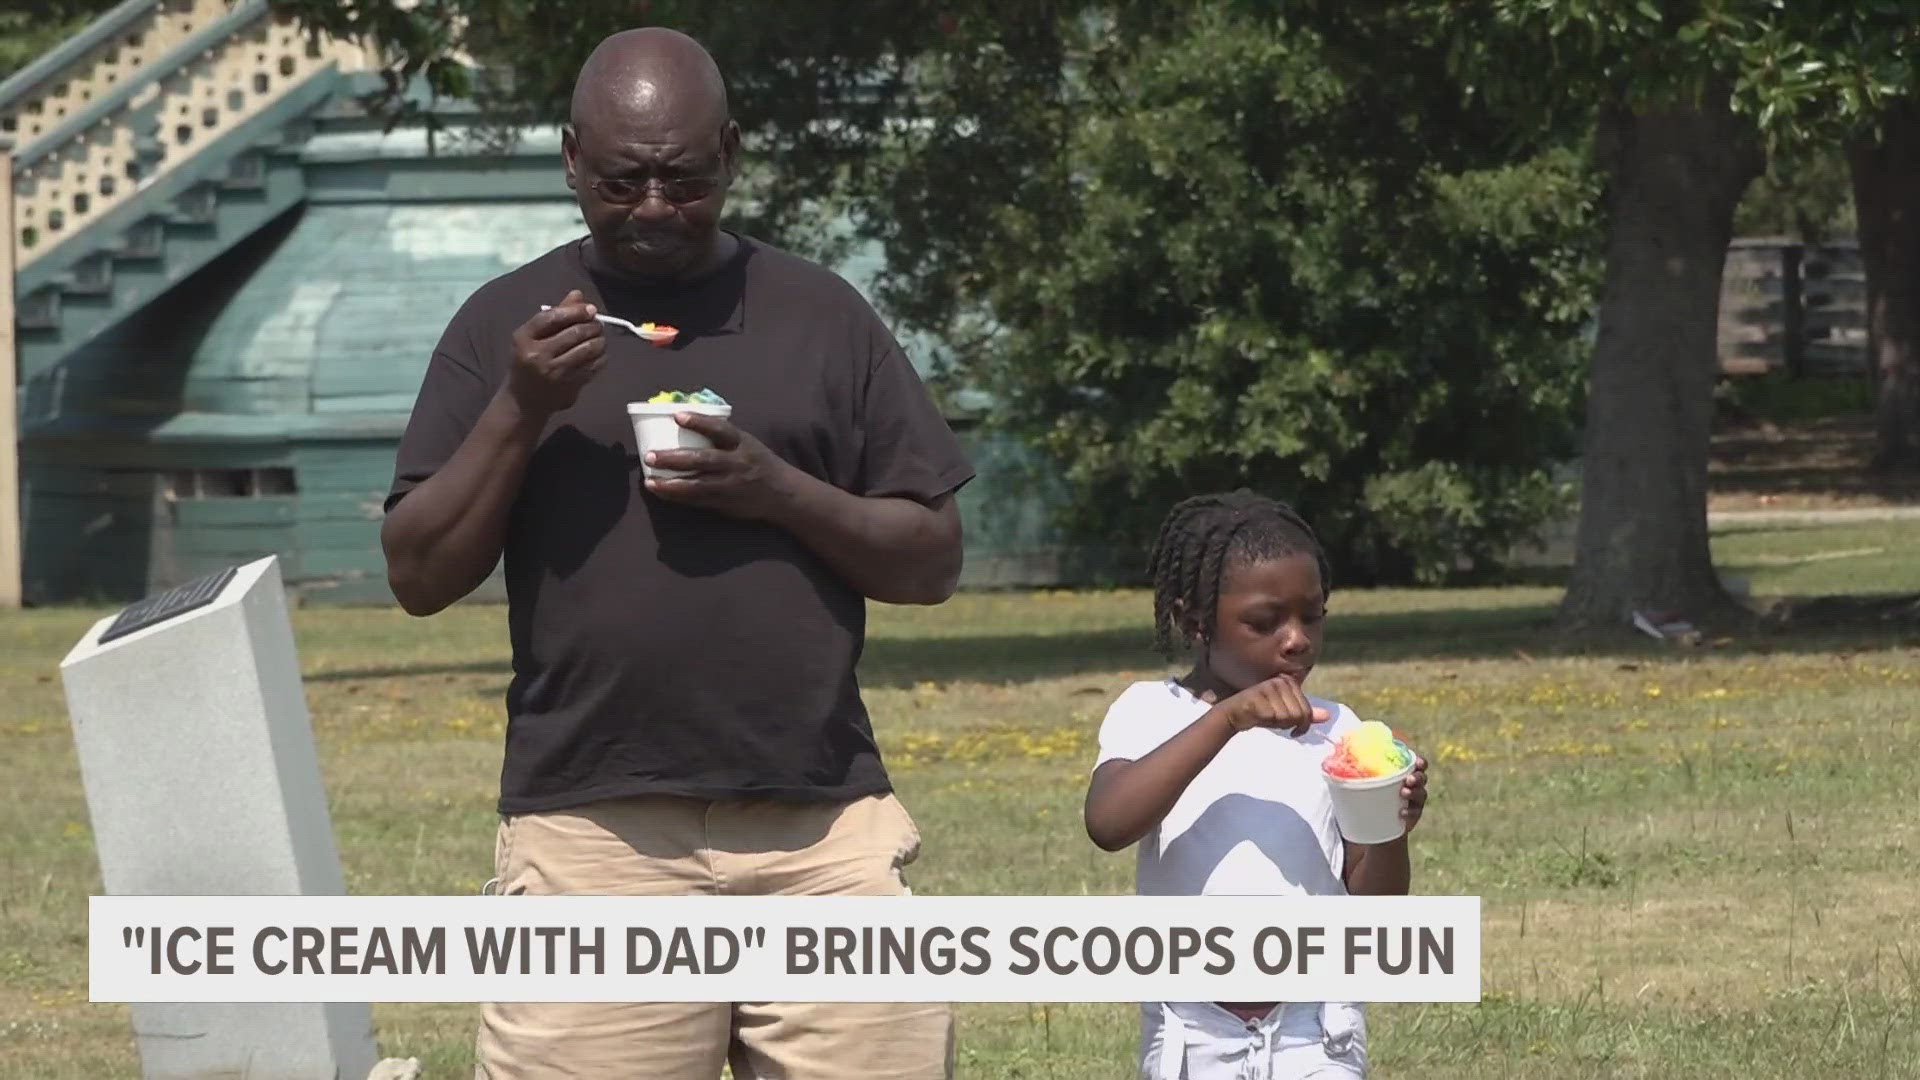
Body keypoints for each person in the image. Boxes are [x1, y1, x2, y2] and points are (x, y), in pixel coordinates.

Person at [381, 25, 971, 1080]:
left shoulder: (820, 317)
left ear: (732, 155)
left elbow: (930, 559)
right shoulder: (504, 328)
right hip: (594, 834)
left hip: (818, 834)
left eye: (684, 180)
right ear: (570, 159)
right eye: (621, 182)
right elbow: (419, 575)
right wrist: (521, 409)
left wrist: (775, 488)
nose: (653, 208)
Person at [1083, 491, 1430, 1079]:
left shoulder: (1338, 730)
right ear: (1196, 621)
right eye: (1264, 622)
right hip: (1193, 1033)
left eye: (1312, 617)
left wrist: (1392, 826)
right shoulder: (1150, 712)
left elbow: (1374, 908)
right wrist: (1228, 718)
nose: (1296, 639)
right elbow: (1108, 824)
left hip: (1315, 1031)